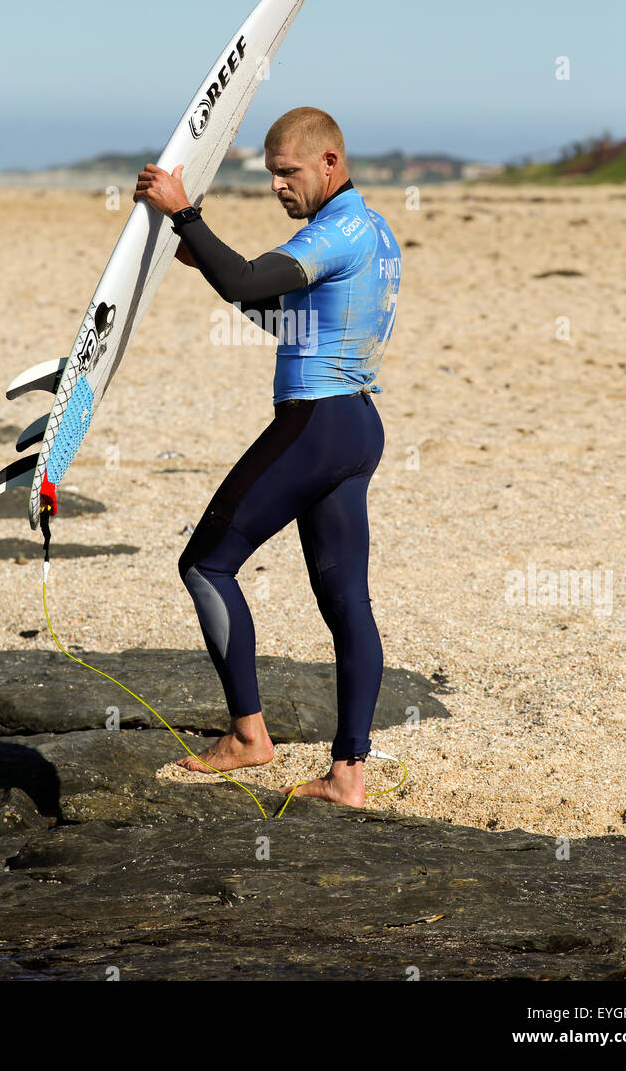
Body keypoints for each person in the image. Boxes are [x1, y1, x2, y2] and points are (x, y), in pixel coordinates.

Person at [133, 107, 401, 807]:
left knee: (205, 564)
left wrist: (184, 215)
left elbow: (251, 280)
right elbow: (285, 317)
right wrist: (205, 260)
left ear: (330, 163)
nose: (278, 185)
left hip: (316, 424)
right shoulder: (375, 230)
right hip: (356, 427)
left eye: (289, 171)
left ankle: (248, 736)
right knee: (346, 602)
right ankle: (347, 775)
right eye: (271, 173)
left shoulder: (335, 231)